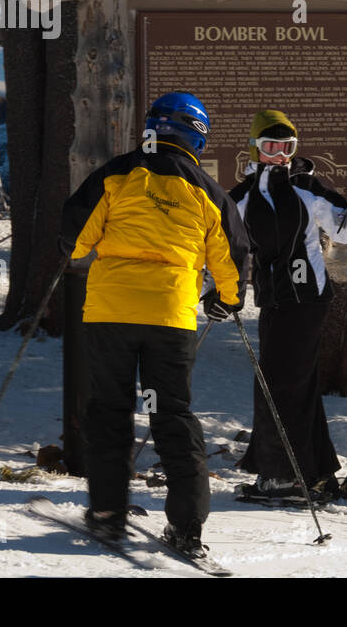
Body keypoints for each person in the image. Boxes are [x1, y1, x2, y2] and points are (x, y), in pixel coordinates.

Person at [59, 92, 248, 558]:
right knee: (173, 415)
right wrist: (227, 300)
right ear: (197, 136)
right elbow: (234, 255)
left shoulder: (116, 173)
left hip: (110, 312)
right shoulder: (208, 190)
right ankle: (187, 527)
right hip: (170, 316)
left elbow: (76, 238)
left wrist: (78, 253)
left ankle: (107, 513)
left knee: (109, 410)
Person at [229, 110, 347, 501]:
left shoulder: (306, 187)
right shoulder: (242, 197)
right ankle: (314, 473)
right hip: (274, 300)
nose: (280, 154)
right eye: (271, 146)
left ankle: (284, 476)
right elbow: (219, 242)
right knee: (289, 384)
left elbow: (344, 230)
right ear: (255, 148)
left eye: (287, 147)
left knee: (283, 384)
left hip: (306, 298)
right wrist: (221, 290)